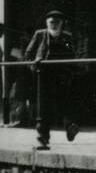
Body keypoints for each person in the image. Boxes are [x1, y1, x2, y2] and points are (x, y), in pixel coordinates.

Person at [26, 10, 80, 145]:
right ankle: (43, 136)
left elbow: (72, 54)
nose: (54, 25)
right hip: (44, 75)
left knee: (64, 103)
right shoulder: (40, 34)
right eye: (51, 22)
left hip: (61, 75)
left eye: (57, 23)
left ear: (61, 24)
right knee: (44, 107)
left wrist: (71, 70)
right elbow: (28, 54)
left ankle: (70, 128)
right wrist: (36, 63)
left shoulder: (67, 36)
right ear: (47, 23)